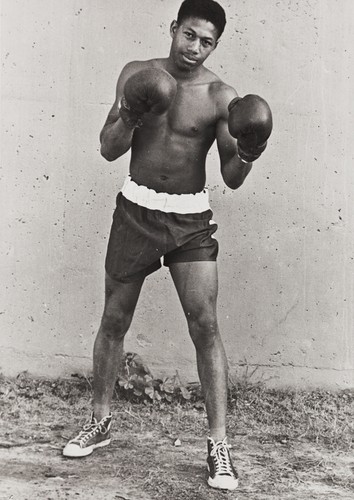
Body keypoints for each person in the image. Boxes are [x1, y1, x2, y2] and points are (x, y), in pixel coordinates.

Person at [63, 0, 272, 491]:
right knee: (114, 319)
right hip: (135, 210)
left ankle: (218, 446)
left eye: (207, 42)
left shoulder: (223, 96)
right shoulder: (137, 74)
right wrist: (132, 112)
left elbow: (232, 178)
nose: (195, 48)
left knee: (205, 323)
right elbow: (108, 147)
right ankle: (100, 419)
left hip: (189, 220)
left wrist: (250, 150)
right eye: (190, 35)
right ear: (174, 27)